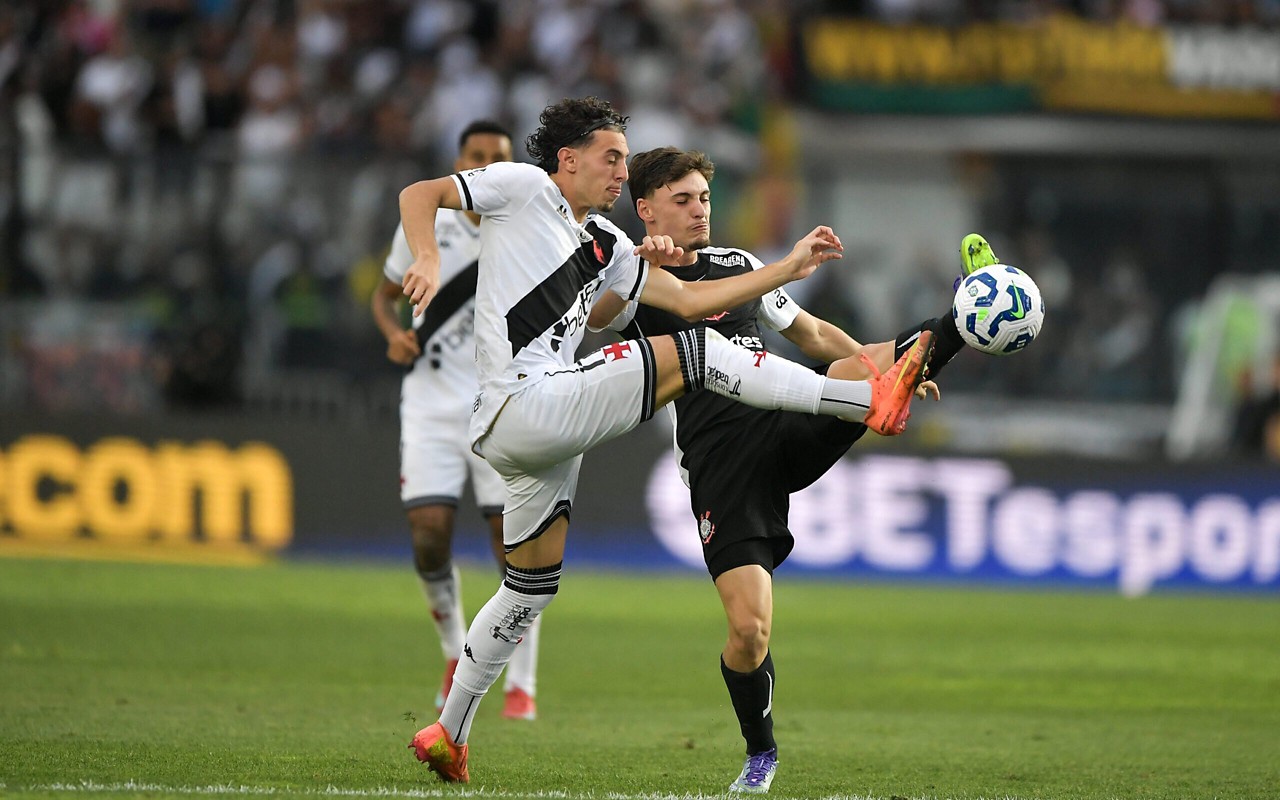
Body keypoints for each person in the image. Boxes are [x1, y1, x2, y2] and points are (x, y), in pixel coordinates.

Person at [397, 96, 935, 783]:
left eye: (626, 159)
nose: (621, 171)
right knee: (697, 354)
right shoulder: (526, 188)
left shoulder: (608, 246)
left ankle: (450, 732)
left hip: (539, 429)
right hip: (523, 403)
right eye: (611, 157)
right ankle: (869, 401)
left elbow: (685, 299)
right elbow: (422, 192)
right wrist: (426, 258)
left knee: (529, 584)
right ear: (568, 160)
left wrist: (786, 268)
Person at [587, 147, 990, 794]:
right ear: (646, 208)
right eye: (684, 200)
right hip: (725, 466)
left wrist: (887, 372)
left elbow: (810, 334)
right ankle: (761, 752)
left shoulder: (737, 266)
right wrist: (636, 265)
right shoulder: (634, 277)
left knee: (854, 369)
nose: (699, 211)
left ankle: (970, 314)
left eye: (705, 199)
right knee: (748, 632)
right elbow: (597, 317)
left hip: (787, 416)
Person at [371, 120, 540, 723]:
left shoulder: (524, 225)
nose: (488, 163)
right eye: (478, 155)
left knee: (515, 550)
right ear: (460, 159)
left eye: (499, 156)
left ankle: (521, 679)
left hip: (500, 404)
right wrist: (394, 334)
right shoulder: (430, 222)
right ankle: (452, 651)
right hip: (431, 403)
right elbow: (383, 296)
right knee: (429, 537)